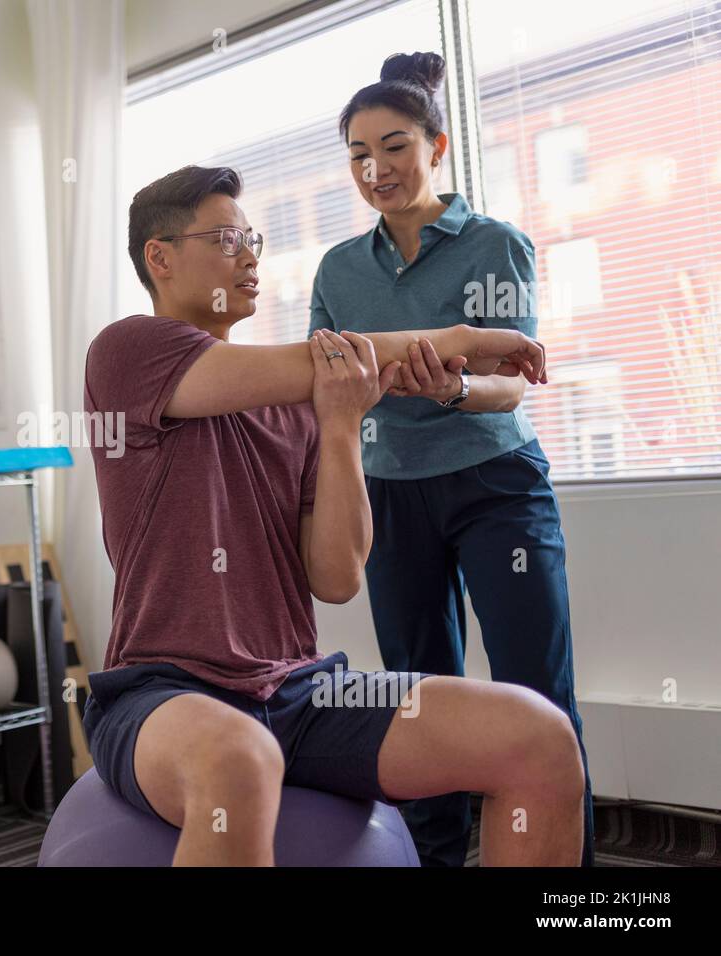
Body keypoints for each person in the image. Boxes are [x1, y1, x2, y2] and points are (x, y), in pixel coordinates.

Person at [80, 162, 584, 866]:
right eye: (227, 239)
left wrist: (342, 426)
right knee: (238, 762)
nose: (251, 255)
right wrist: (457, 338)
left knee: (539, 735)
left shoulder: (299, 405)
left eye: (252, 237)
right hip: (161, 690)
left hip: (302, 690)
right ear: (158, 258)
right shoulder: (126, 352)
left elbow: (337, 574)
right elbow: (319, 363)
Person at [307, 51, 595, 867]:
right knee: (417, 698)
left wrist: (450, 390)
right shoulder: (337, 270)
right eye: (359, 155)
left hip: (495, 484)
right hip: (390, 490)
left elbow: (510, 388)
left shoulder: (494, 243)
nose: (376, 168)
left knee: (534, 690)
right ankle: (433, 860)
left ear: (436, 145)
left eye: (393, 146)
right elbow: (327, 384)